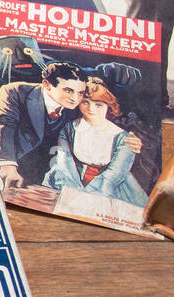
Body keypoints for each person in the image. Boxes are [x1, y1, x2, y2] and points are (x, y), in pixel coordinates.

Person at [43, 77, 148, 206]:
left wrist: (86, 196)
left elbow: (113, 176)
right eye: (85, 102)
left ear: (108, 106)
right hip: (70, 178)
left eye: (98, 104)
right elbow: (65, 162)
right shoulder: (69, 128)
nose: (91, 109)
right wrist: (74, 192)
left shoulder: (123, 138)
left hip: (109, 187)